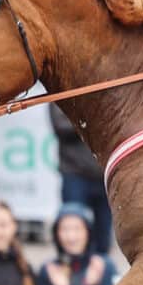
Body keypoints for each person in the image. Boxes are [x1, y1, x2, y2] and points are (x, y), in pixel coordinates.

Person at [50, 103, 111, 254]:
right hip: (75, 174)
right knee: (71, 230)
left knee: (104, 234)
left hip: (103, 175)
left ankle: (101, 273)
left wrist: (89, 120)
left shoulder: (101, 91)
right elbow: (61, 127)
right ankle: (67, 270)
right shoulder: (61, 92)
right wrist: (95, 118)